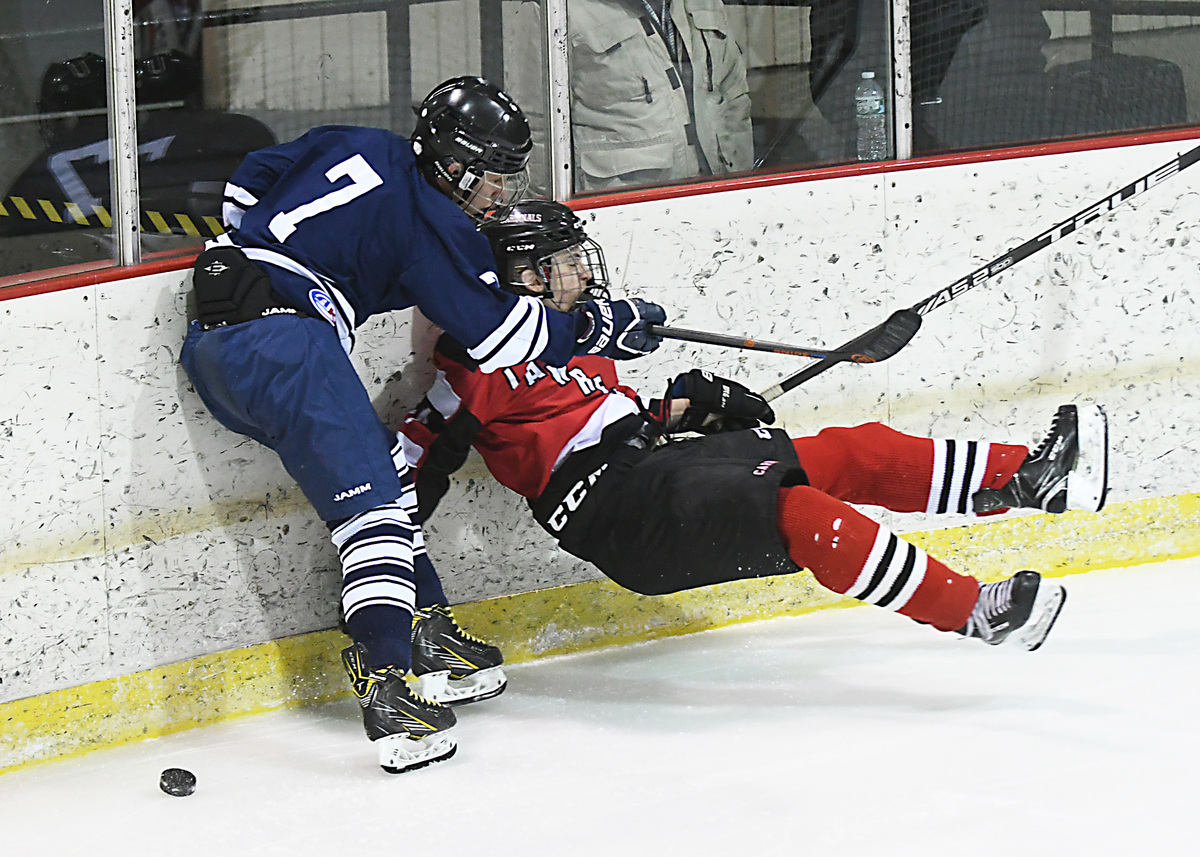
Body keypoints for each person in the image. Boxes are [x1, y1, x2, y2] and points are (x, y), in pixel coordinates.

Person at [179, 77, 668, 775]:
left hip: (229, 338)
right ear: (455, 166)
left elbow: (249, 184)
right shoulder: (431, 221)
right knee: (373, 513)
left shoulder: (362, 145)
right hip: (284, 344)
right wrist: (599, 326)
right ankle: (389, 690)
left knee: (387, 474)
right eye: (494, 177)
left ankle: (426, 630)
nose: (500, 193)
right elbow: (499, 340)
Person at [401, 200, 1110, 675]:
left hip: (653, 467)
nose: (584, 273)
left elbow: (605, 417)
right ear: (524, 274)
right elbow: (404, 478)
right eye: (566, 261)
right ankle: (974, 611)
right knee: (802, 512)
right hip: (617, 514)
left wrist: (688, 409)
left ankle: (1033, 476)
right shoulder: (469, 364)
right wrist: (399, 597)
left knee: (852, 450)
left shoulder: (580, 337)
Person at [568, 0, 753, 190]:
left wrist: (744, 187)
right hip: (624, 202)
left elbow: (734, 96)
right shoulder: (558, 10)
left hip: (718, 190)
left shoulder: (706, 3)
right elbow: (543, 126)